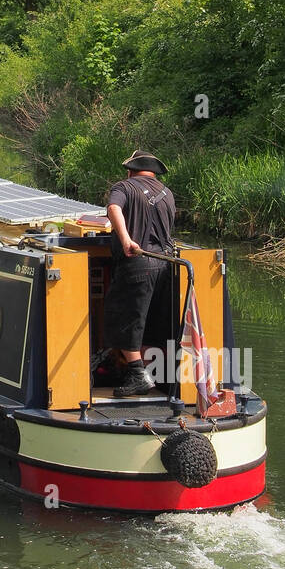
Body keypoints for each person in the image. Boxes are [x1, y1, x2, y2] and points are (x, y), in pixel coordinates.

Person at [102, 150, 176, 398]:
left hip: (138, 263)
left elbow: (113, 209)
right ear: (154, 172)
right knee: (152, 324)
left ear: (130, 170)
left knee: (122, 319)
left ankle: (137, 374)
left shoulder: (124, 186)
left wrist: (125, 240)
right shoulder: (168, 194)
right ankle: (155, 376)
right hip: (165, 264)